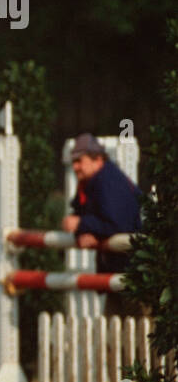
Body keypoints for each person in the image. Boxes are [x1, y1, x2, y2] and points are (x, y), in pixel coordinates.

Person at [61, 133, 142, 317]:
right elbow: (83, 215)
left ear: (97, 160)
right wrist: (83, 230)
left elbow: (116, 224)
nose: (75, 167)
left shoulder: (107, 181)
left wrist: (82, 225)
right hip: (119, 272)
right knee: (116, 336)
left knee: (136, 336)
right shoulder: (91, 181)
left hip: (134, 274)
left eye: (79, 161)